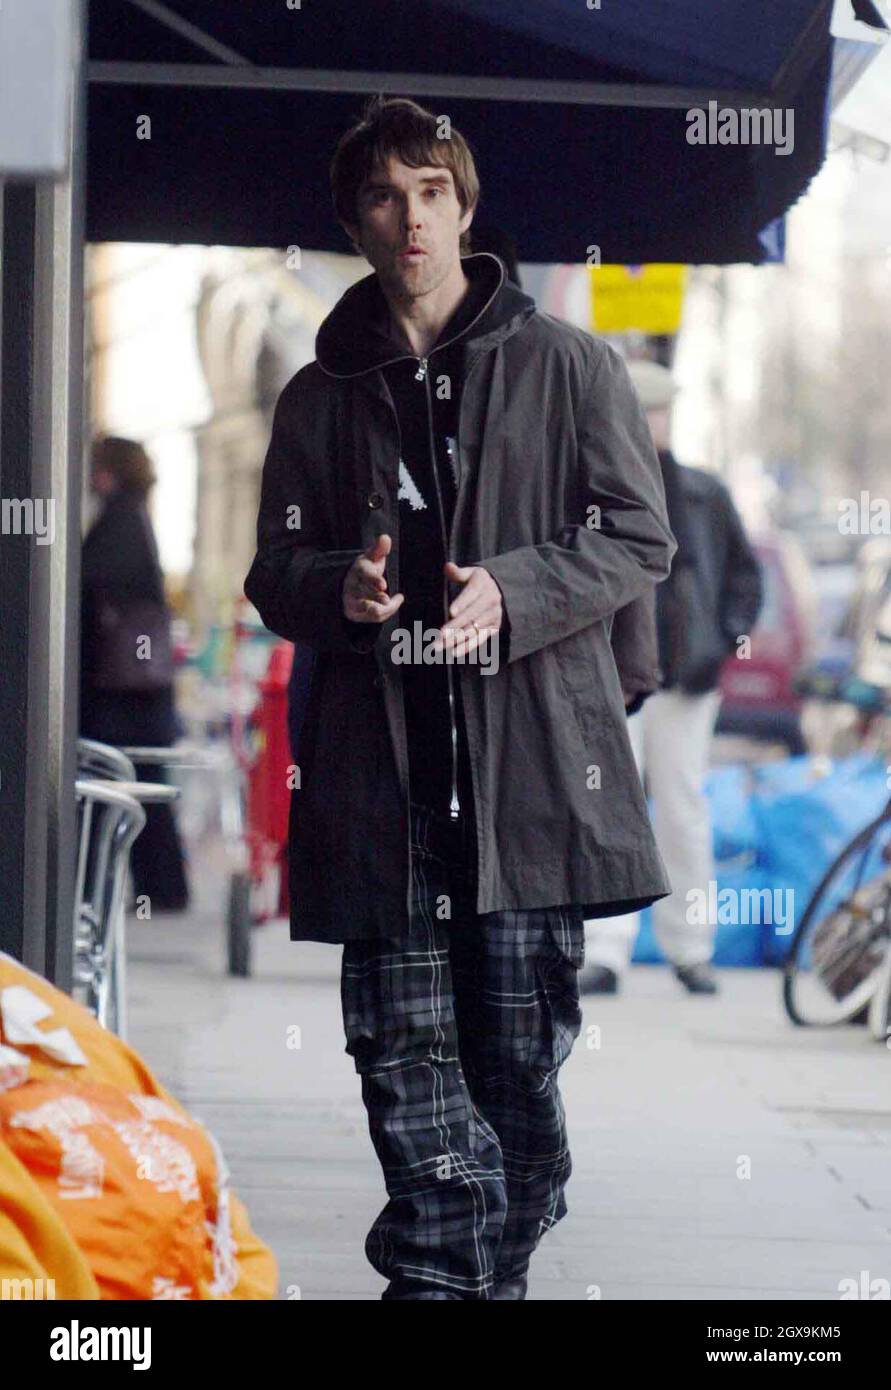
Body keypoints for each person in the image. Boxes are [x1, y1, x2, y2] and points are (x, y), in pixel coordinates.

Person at [244, 96, 676, 1301]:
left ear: (465, 208)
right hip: (378, 803)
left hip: (529, 796)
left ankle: (487, 1259)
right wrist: (348, 589)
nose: (411, 217)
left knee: (516, 1102)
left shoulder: (570, 365)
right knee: (411, 1090)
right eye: (385, 196)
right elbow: (273, 570)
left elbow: (639, 537)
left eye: (431, 192)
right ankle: (438, 1284)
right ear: (356, 222)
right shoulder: (316, 397)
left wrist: (517, 589)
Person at [580, 360, 763, 998]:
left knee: (683, 810)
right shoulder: (594, 485)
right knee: (612, 809)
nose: (650, 423)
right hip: (617, 681)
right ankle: (605, 950)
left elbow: (744, 575)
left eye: (658, 411)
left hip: (686, 683)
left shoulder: (705, 494)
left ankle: (692, 948)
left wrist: (722, 644)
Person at [79, 436, 189, 913]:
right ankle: (161, 889)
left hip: (122, 693)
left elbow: (91, 586)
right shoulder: (135, 517)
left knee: (124, 783)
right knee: (144, 785)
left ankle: (158, 890)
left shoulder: (119, 520)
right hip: (139, 692)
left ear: (109, 471)